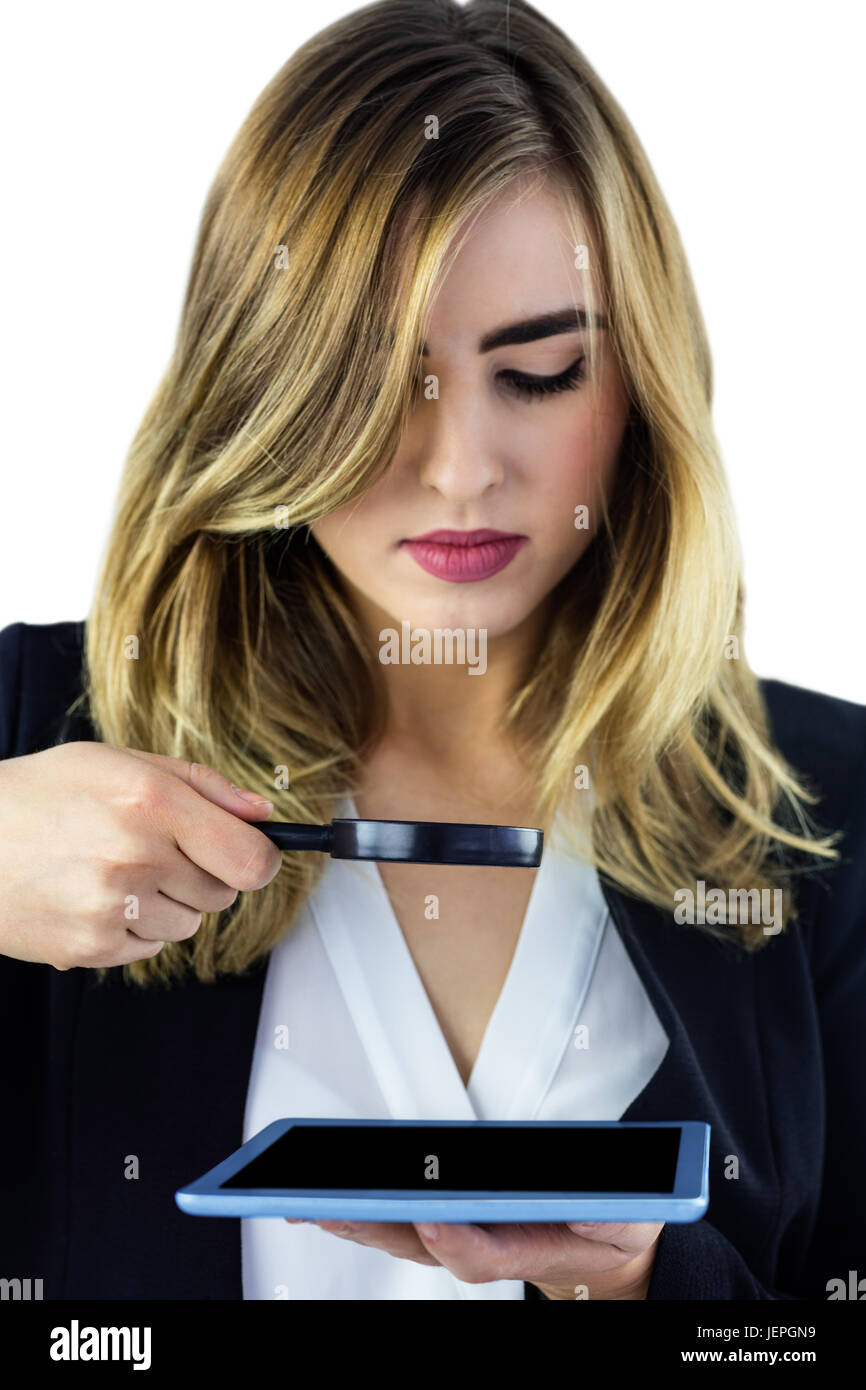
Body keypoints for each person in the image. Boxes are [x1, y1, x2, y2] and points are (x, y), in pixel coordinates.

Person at [1, 0, 863, 1301]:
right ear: (266, 384)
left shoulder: (830, 809)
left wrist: (649, 1286)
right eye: (371, 383)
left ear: (640, 388)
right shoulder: (30, 732)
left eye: (541, 372)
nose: (460, 470)